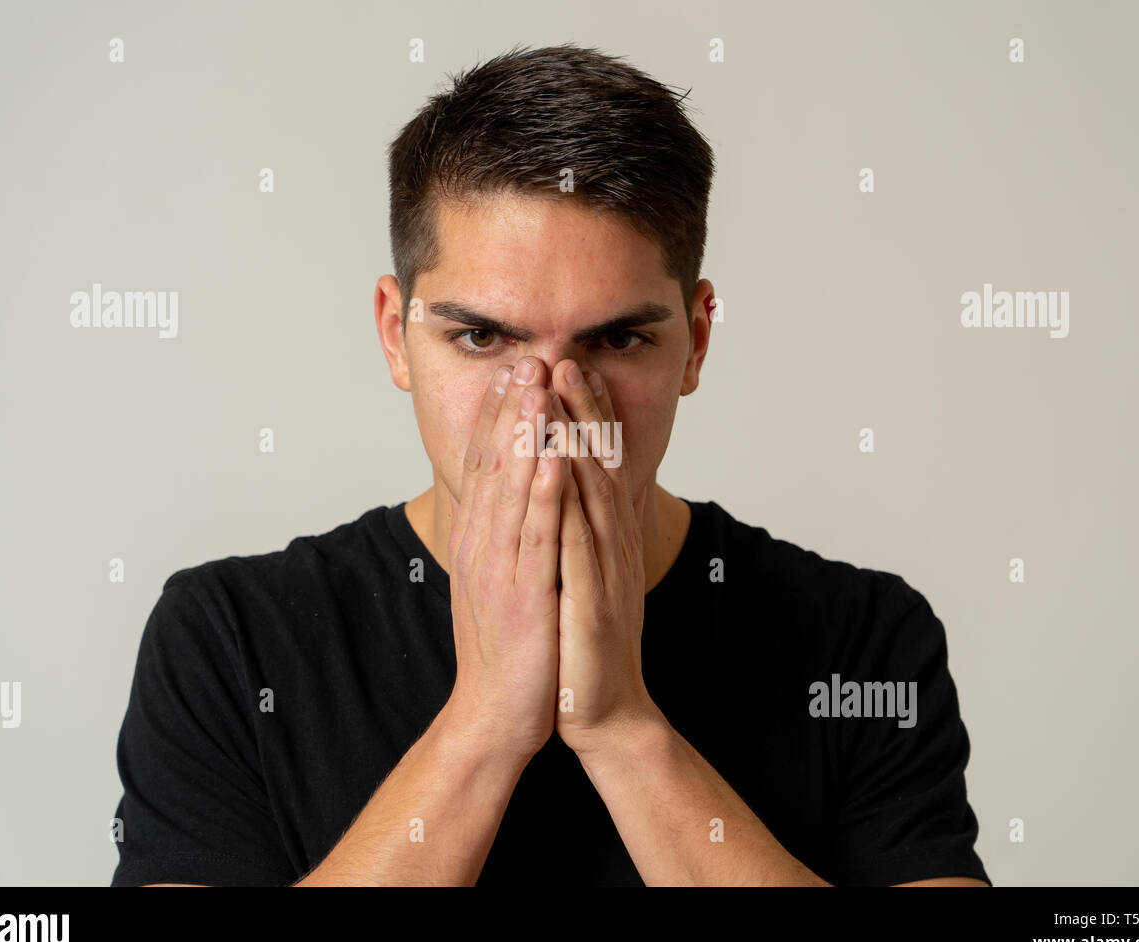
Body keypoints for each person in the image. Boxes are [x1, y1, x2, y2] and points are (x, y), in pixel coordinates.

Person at [110, 43, 989, 886]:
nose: (547, 404)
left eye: (616, 339)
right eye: (483, 336)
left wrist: (619, 725)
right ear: (396, 335)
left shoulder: (862, 641)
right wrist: (486, 720)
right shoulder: (230, 640)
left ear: (697, 340)